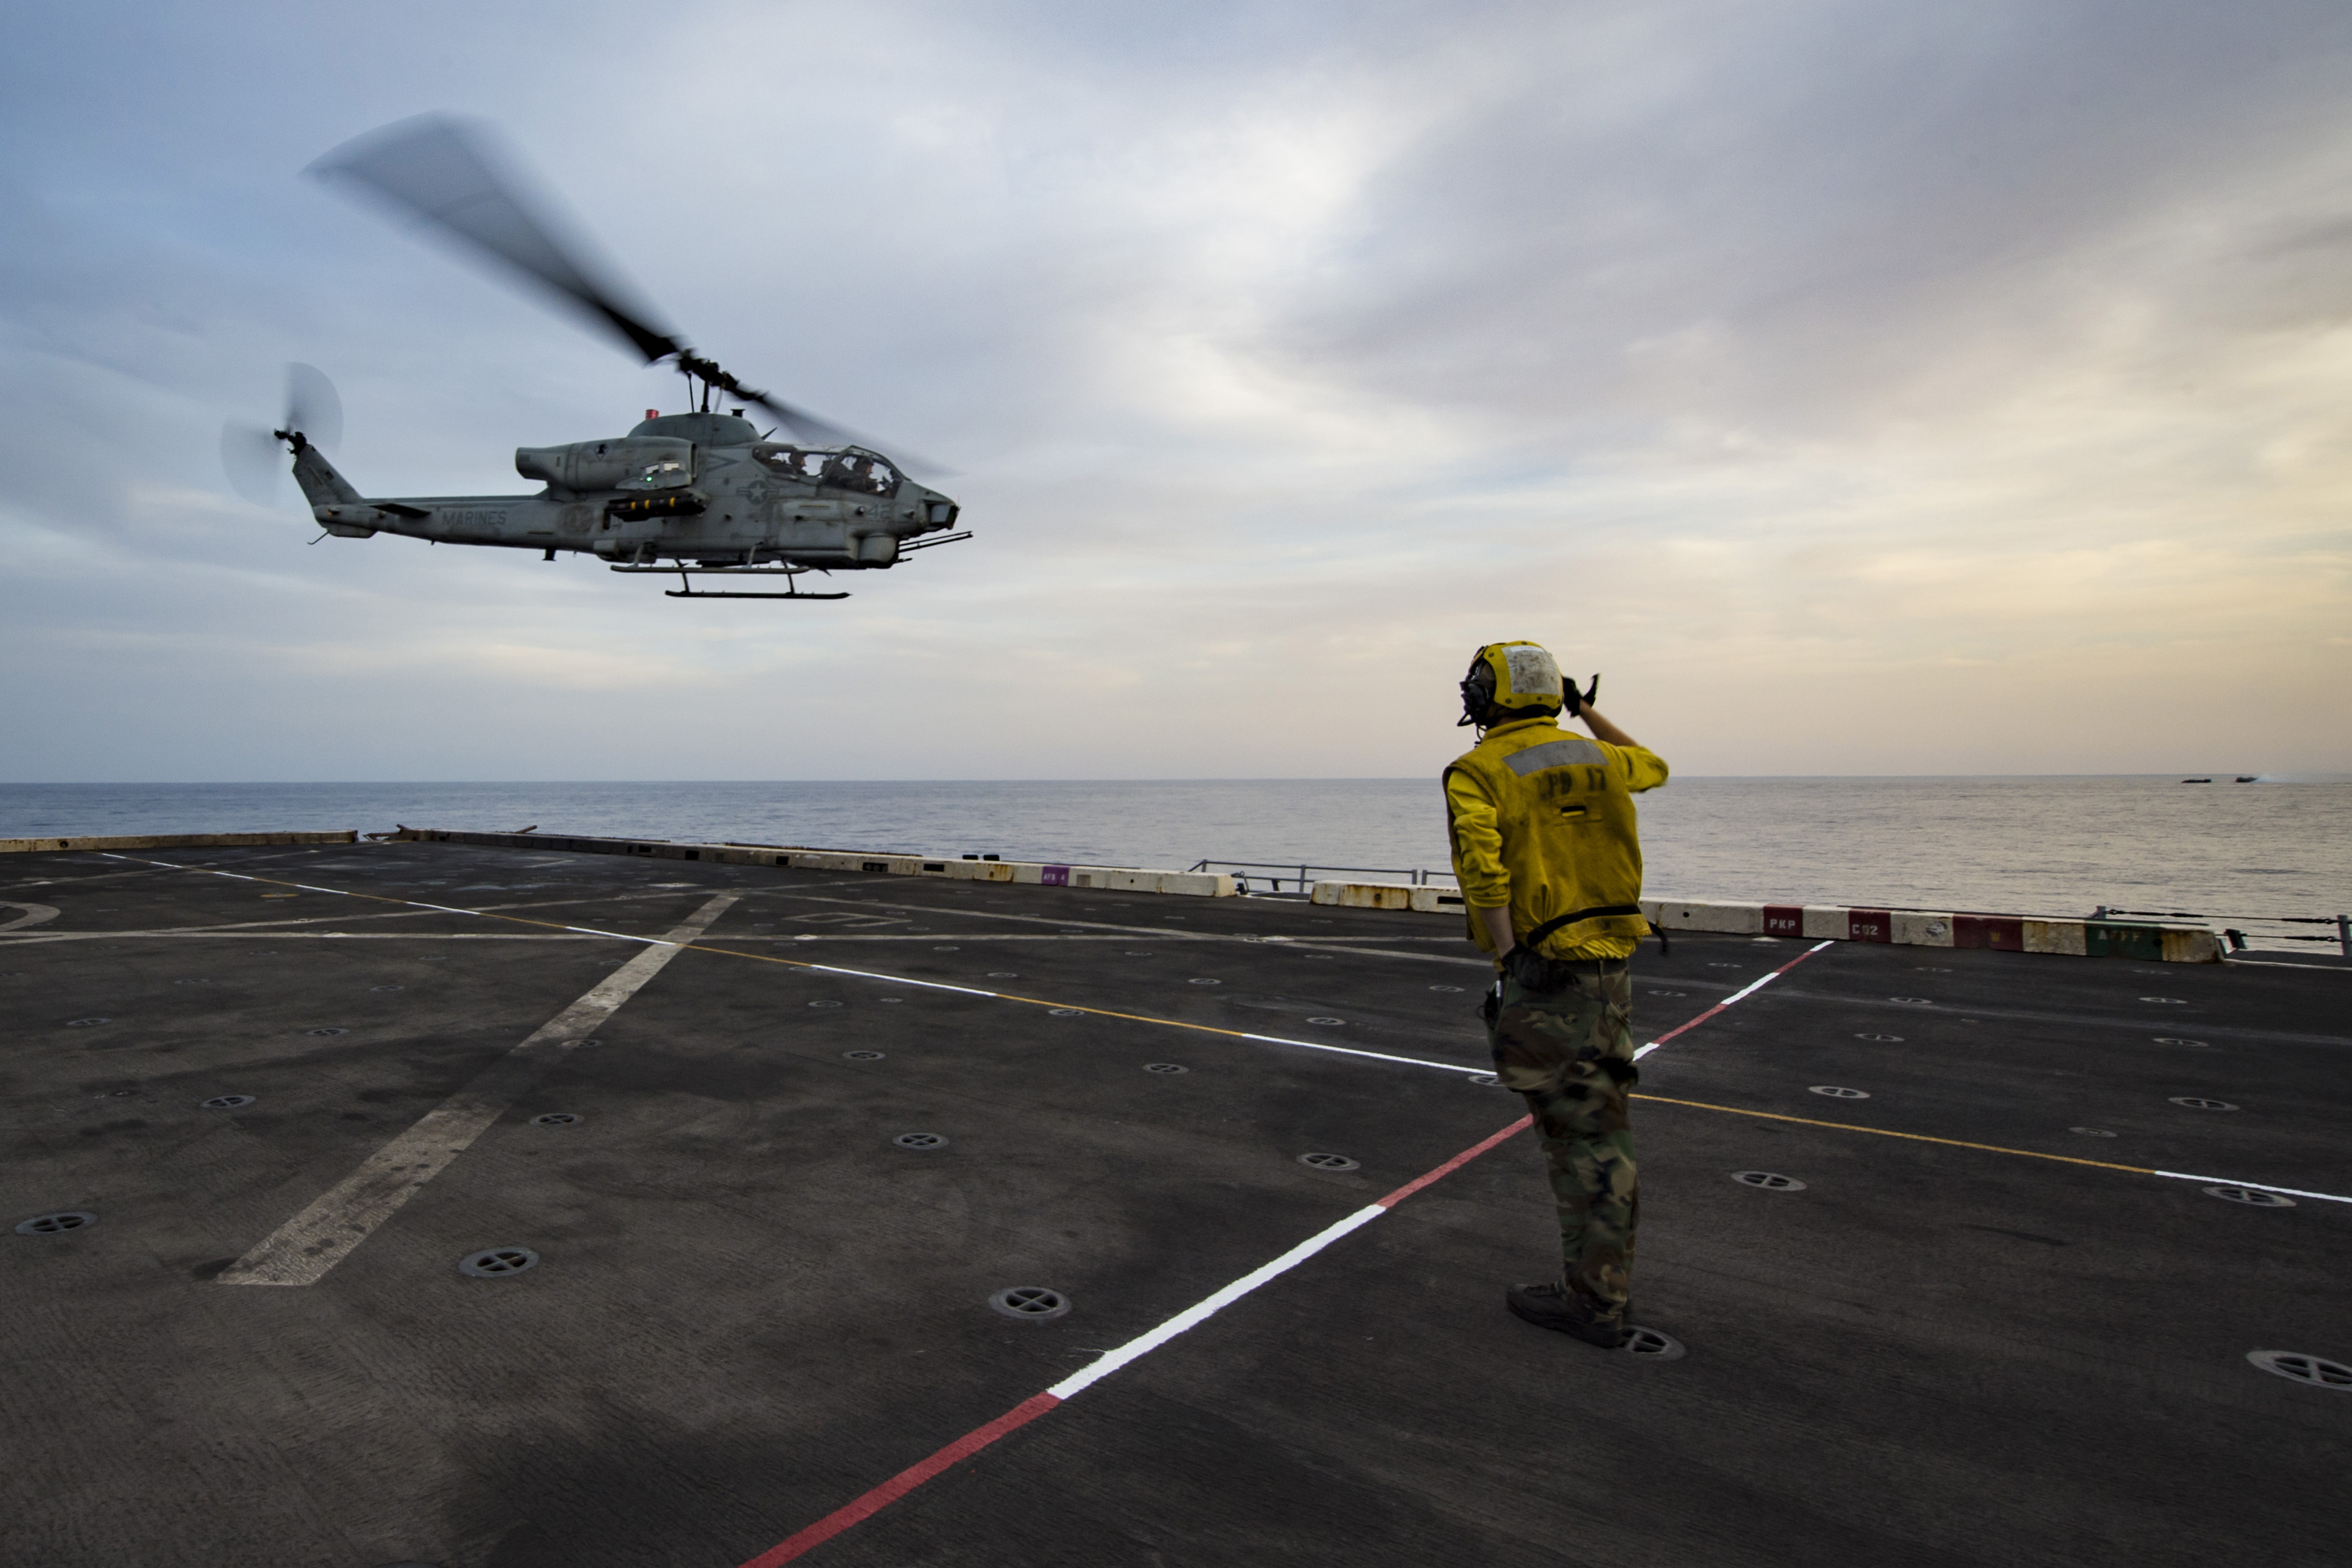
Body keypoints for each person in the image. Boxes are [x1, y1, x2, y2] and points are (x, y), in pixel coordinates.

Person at [1443, 641, 1669, 1348]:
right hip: (1611, 971)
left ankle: (1595, 1302)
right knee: (1602, 1132)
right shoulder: (1599, 758)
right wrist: (1587, 710)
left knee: (1579, 1145)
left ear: (1492, 696)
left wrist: (1511, 956)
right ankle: (1598, 1286)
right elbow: (1654, 767)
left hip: (1547, 973)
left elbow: (1485, 875)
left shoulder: (1477, 770)